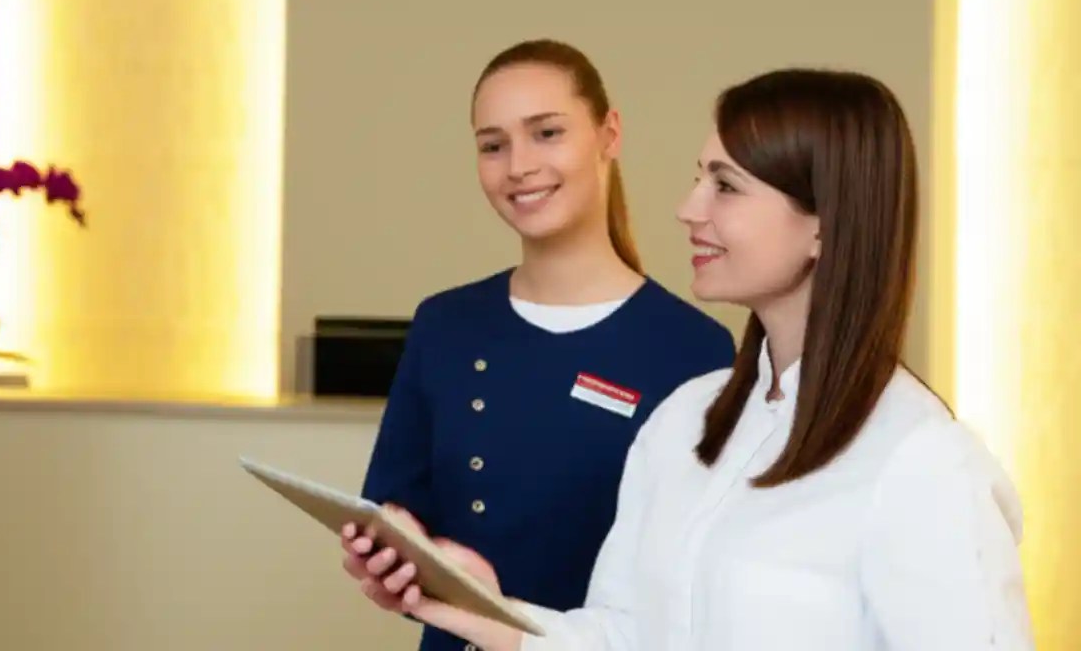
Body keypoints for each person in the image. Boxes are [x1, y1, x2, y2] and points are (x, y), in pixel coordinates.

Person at [345, 68, 1035, 650]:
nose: (687, 208)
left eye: (726, 187)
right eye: (698, 178)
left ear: (826, 222)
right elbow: (626, 635)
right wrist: (490, 614)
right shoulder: (687, 421)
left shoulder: (924, 465)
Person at [344, 39, 736, 651]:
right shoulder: (445, 325)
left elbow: (695, 590)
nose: (518, 166)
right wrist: (390, 561)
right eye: (493, 145)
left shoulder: (695, 352)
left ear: (609, 133)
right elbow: (398, 518)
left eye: (547, 133)